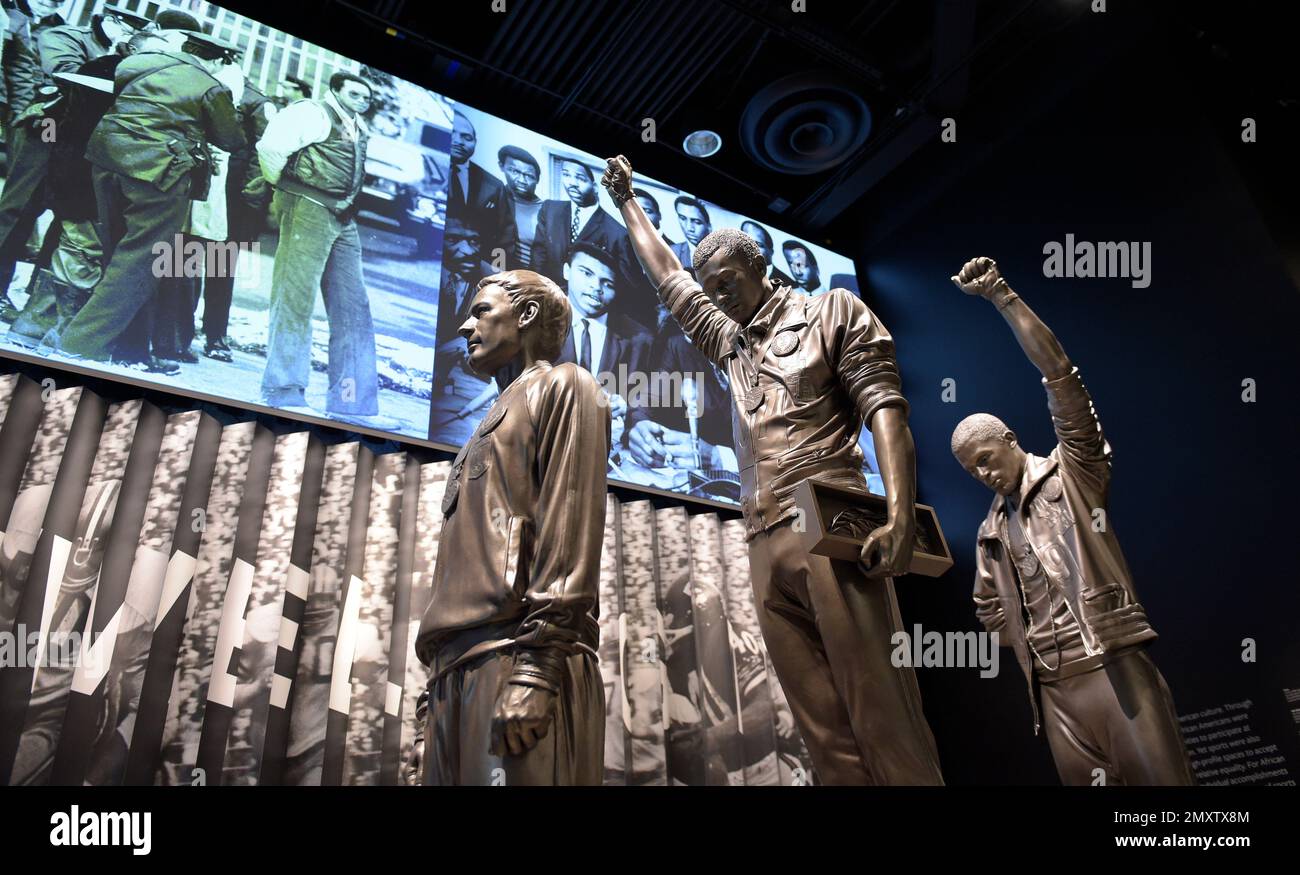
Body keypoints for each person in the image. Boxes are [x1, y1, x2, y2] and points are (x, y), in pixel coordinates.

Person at [601, 154, 944, 785]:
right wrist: (628, 201)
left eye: (727, 280)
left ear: (759, 266)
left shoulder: (831, 311)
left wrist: (899, 514)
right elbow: (670, 279)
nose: (717, 294)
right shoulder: (729, 342)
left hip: (829, 521)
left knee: (881, 713)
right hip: (760, 537)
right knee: (823, 734)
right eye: (712, 286)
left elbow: (886, 412)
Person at [949, 255, 1195, 786]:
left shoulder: (1073, 473)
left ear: (1011, 439)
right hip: (1052, 689)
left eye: (987, 457)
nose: (983, 472)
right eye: (971, 470)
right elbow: (988, 608)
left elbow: (1061, 376)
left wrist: (1001, 297)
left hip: (1110, 665)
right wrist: (1029, 641)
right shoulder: (990, 532)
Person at [410, 268, 610, 785]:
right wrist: (430, 696)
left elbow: (569, 522)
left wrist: (538, 668)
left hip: (517, 654)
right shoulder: (488, 418)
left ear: (525, 316)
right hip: (456, 667)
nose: (464, 326)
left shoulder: (565, 385)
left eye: (481, 312)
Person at [50, 28, 245, 375]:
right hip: (158, 175)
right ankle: (78, 347)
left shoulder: (139, 63)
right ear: (216, 59)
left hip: (106, 160)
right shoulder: (211, 86)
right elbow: (231, 139)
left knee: (117, 258)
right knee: (138, 265)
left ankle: (128, 351)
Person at [255, 70, 397, 429]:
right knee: (295, 297)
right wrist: (284, 188)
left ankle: (350, 402)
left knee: (353, 305)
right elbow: (270, 149)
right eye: (354, 93)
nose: (362, 100)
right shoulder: (313, 112)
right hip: (307, 205)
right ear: (335, 89)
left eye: (366, 96)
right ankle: (283, 391)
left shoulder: (356, 125)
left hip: (341, 214)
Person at [531, 157, 634, 290]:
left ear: (595, 187)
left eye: (580, 178)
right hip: (545, 294)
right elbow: (538, 255)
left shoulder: (618, 233)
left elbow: (624, 284)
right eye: (566, 175)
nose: (572, 183)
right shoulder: (550, 209)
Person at [446, 109, 514, 268]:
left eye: (466, 137)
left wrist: (497, 271)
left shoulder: (494, 185)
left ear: (475, 142)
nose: (458, 141)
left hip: (473, 268)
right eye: (452, 133)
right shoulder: (428, 167)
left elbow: (505, 236)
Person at [497, 144, 542, 269]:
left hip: (531, 277)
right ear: (502, 167)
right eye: (515, 171)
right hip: (497, 271)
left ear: (537, 180)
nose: (522, 180)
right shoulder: (494, 198)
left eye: (529, 176)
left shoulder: (545, 210)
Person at [741, 220, 795, 288]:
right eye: (745, 243)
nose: (750, 248)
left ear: (771, 252)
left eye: (758, 244)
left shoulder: (789, 284)